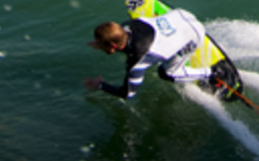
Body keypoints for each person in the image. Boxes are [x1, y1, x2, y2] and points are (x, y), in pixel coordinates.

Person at [84, 8, 217, 100]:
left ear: (113, 46)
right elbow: (124, 42)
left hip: (194, 35)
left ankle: (211, 73)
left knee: (166, 73)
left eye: (101, 44)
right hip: (182, 15)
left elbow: (128, 94)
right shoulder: (126, 26)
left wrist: (100, 85)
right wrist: (102, 44)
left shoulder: (137, 62)